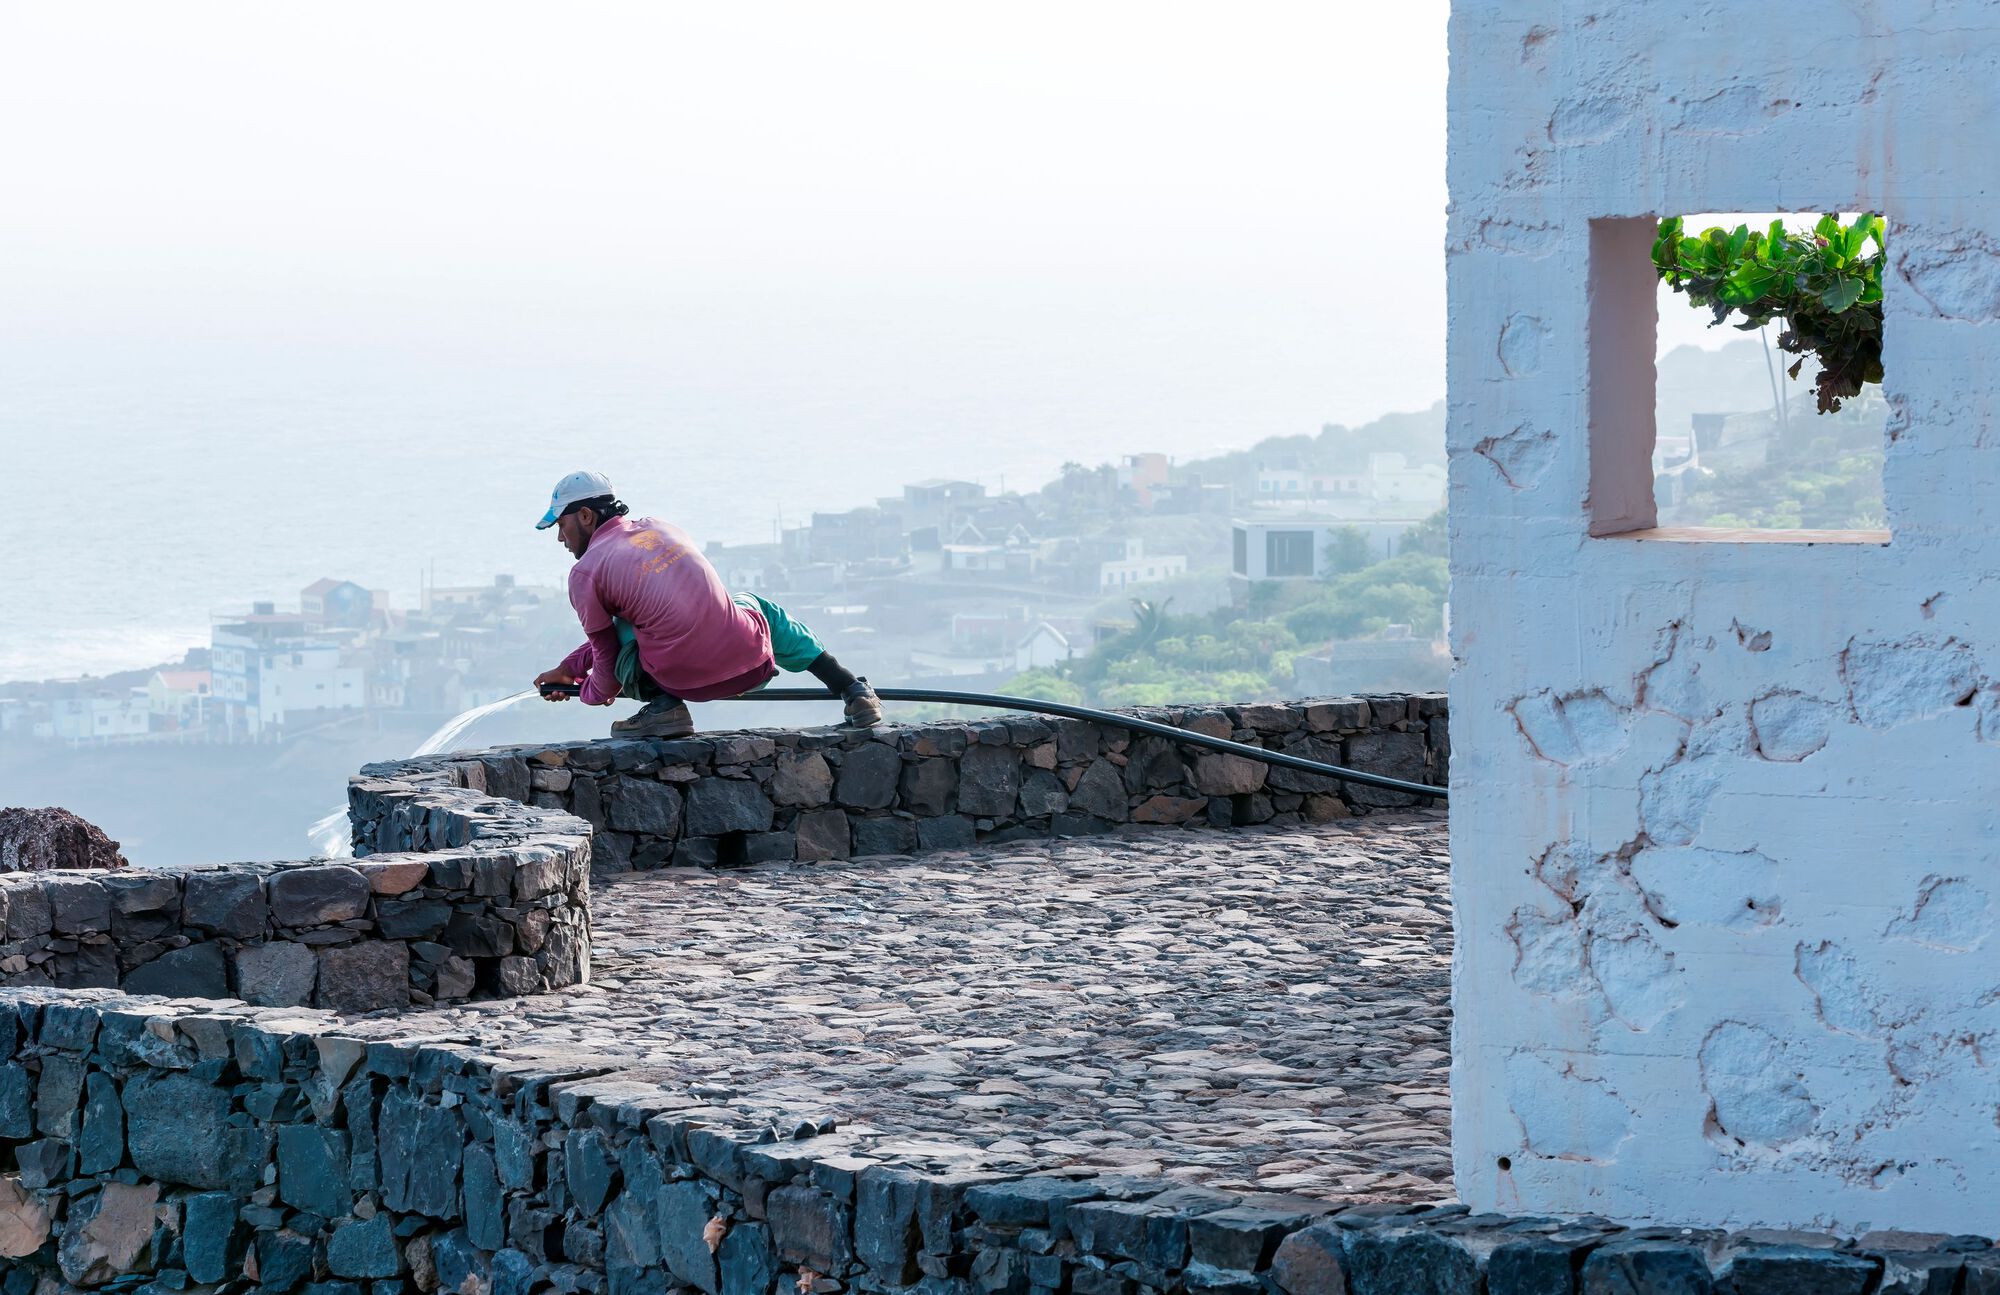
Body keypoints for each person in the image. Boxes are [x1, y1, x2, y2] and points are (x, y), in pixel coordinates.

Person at [530, 470, 884, 738]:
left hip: (685, 682)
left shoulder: (586, 572)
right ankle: (852, 689)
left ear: (587, 516)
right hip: (752, 664)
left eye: (562, 525)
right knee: (754, 606)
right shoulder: (661, 528)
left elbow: (607, 659)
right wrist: (570, 668)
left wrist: (587, 692)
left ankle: (665, 709)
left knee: (635, 628)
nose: (561, 538)